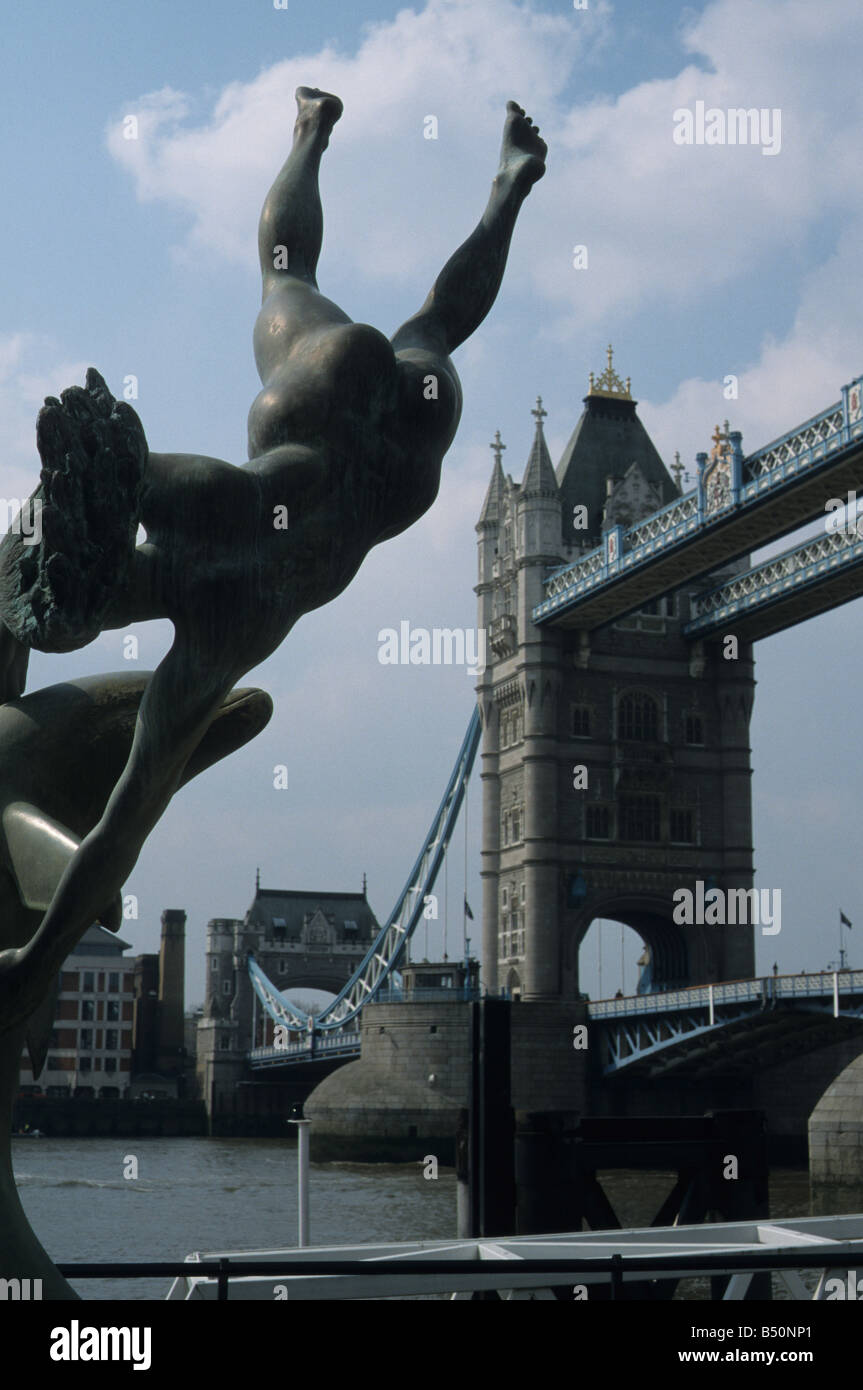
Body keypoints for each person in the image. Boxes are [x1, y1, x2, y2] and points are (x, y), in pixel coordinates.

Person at [0, 88, 547, 1027]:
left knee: (373, 315)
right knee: (288, 278)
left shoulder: (220, 638)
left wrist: (34, 961)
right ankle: (323, 132)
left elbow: (123, 822)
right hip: (336, 422)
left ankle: (466, 180)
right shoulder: (208, 570)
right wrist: (36, 964)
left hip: (356, 457)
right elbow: (124, 822)